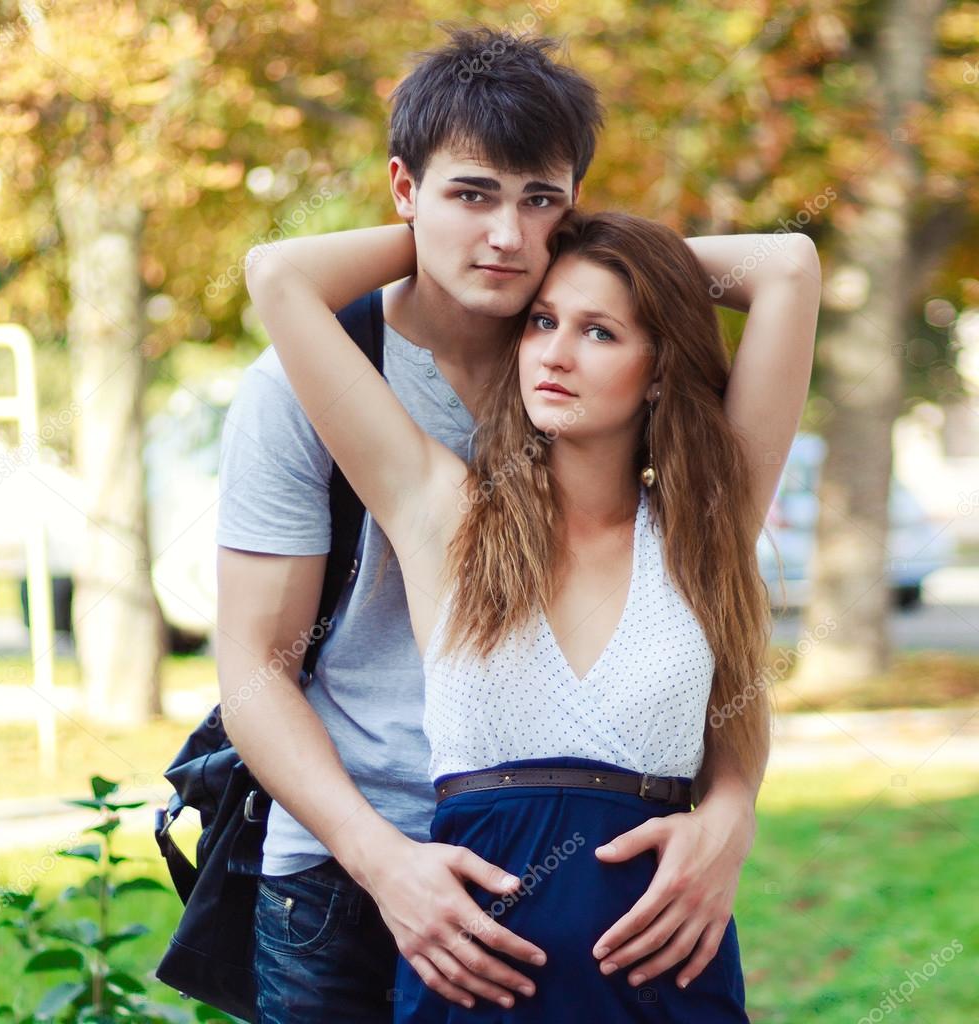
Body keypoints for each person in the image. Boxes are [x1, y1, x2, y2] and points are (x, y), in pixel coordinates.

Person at [219, 26, 775, 1024]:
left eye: (539, 202)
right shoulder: (330, 397)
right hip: (345, 854)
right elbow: (255, 665)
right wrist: (382, 861)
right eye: (470, 192)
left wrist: (611, 264)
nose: (507, 239)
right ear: (403, 189)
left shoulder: (678, 507)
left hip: (601, 896)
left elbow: (786, 270)